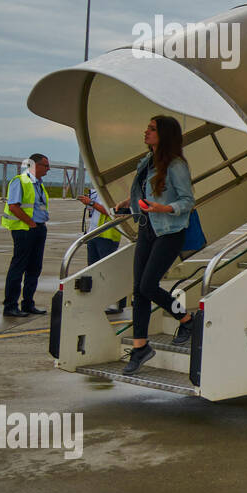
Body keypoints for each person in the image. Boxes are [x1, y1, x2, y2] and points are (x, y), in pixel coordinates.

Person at [117, 116, 196, 375]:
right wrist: (128, 203)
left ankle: (186, 320)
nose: (146, 131)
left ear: (165, 134)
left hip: (170, 231)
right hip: (147, 229)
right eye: (147, 127)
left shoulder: (176, 165)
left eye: (152, 129)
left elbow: (187, 200)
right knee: (138, 291)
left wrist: (166, 208)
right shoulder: (148, 162)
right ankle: (140, 347)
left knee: (148, 285)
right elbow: (146, 191)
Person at [1, 153, 51, 317]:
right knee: (19, 266)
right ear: (35, 166)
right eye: (45, 166)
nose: (48, 169)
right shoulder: (20, 181)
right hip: (24, 230)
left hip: (38, 229)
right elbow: (14, 206)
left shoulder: (38, 184)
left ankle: (28, 303)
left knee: (34, 268)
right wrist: (30, 223)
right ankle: (10, 305)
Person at [78, 187, 126, 314]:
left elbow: (112, 211)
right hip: (94, 234)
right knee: (93, 270)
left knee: (108, 271)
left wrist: (91, 203)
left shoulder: (112, 191)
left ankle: (115, 303)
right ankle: (99, 300)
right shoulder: (95, 191)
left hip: (107, 236)